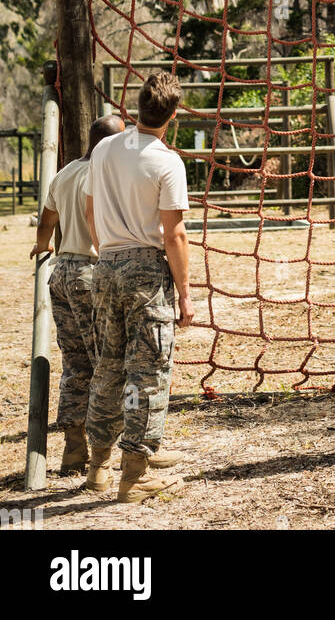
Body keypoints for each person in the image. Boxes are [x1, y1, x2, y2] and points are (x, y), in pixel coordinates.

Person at [83, 72, 194, 501]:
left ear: (136, 106)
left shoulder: (105, 148)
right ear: (172, 116)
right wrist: (185, 292)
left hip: (106, 264)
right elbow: (174, 235)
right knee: (147, 373)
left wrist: (110, 253)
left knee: (108, 366)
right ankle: (136, 473)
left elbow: (91, 213)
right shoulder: (167, 162)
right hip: (147, 270)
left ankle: (98, 467)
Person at [30, 114, 124, 474]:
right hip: (91, 270)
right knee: (106, 361)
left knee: (75, 362)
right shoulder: (103, 173)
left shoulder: (65, 171)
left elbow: (46, 220)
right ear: (107, 143)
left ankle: (73, 447)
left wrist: (41, 246)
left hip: (62, 272)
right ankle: (107, 448)